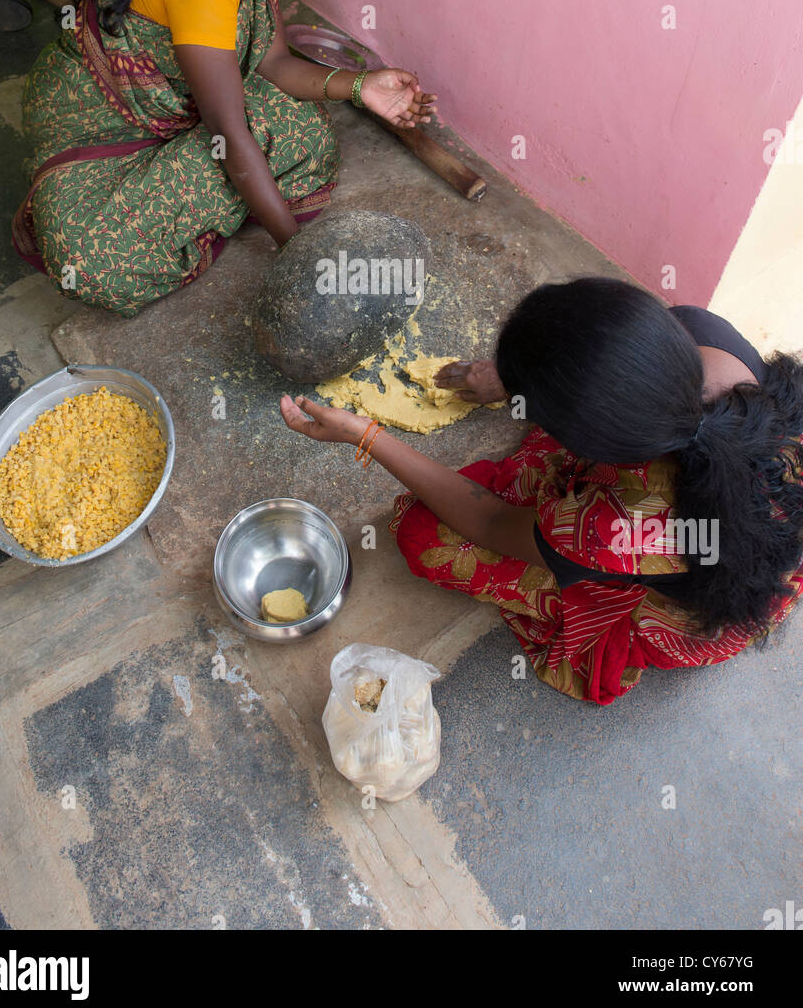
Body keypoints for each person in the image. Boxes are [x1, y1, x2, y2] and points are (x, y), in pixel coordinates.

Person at [279, 277, 803, 705]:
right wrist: (512, 378)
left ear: (588, 442)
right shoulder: (710, 342)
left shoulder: (609, 526)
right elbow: (610, 354)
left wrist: (364, 433)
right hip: (762, 533)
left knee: (424, 534)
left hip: (709, 597)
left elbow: (486, 524)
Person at [13, 0, 434, 316]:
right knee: (91, 261)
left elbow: (275, 64)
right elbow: (228, 133)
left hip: (184, 117)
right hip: (101, 131)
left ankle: (216, 200)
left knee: (309, 134)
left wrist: (363, 87)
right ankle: (229, 201)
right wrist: (297, 251)